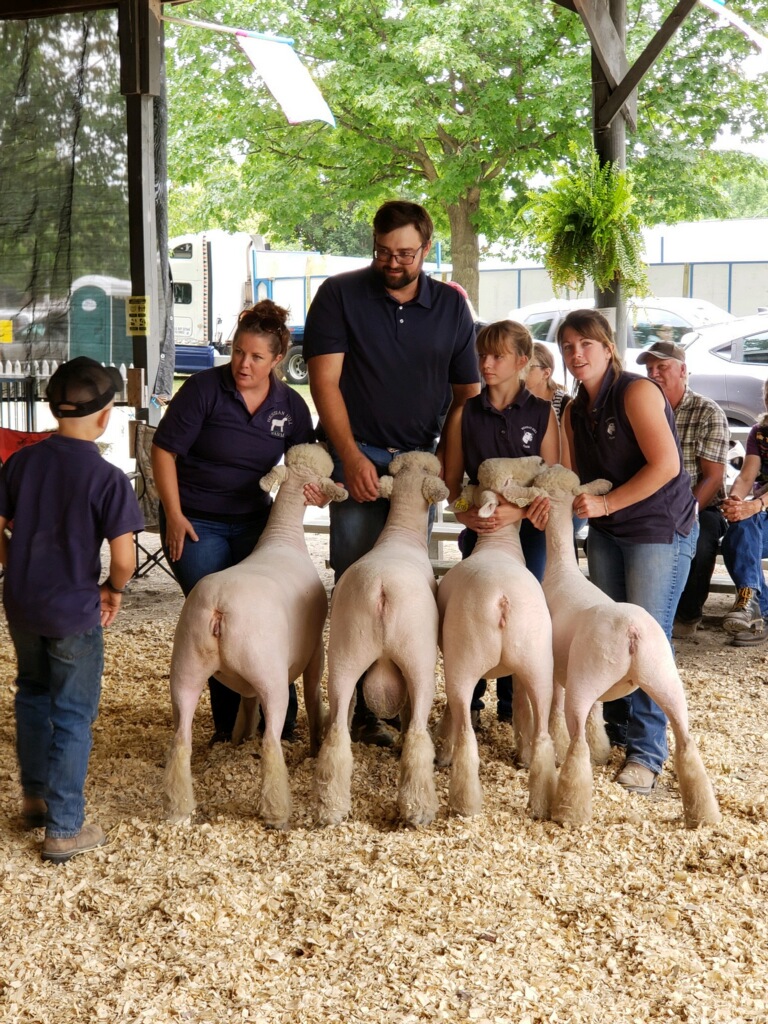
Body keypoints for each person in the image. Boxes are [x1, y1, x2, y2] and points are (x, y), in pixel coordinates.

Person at [303, 199, 480, 745]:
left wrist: (448, 472)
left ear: (428, 249)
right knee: (356, 579)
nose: (393, 262)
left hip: (417, 465)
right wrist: (349, 457)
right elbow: (324, 381)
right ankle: (352, 711)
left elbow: (464, 397)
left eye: (405, 253)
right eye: (383, 251)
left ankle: (401, 702)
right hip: (357, 451)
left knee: (407, 587)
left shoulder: (452, 308)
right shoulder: (339, 294)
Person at [152, 299, 316, 746]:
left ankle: (279, 722)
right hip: (196, 522)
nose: (243, 364)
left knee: (265, 616)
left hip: (253, 524)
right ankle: (227, 727)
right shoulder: (205, 388)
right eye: (238, 351)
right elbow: (164, 451)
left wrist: (316, 486)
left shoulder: (290, 408)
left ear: (277, 359)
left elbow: (306, 462)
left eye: (256, 356)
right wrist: (174, 514)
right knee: (212, 617)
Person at [0, 357, 144, 862]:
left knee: (33, 694)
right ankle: (64, 827)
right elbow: (124, 559)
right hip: (73, 611)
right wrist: (114, 590)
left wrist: (13, 561)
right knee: (73, 715)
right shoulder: (107, 478)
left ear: (51, 407)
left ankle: (35, 799)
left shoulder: (20, 462)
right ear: (106, 416)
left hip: (21, 604)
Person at [558, 309, 698, 796]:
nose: (577, 354)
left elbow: (666, 465)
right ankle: (617, 730)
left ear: (608, 347)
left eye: (586, 344)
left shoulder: (638, 391)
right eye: (568, 346)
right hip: (608, 529)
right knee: (611, 630)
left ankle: (648, 752)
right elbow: (570, 474)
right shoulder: (574, 410)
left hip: (659, 527)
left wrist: (605, 503)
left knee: (647, 633)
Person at [449, 320, 558, 727]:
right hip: (479, 532)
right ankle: (469, 706)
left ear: (522, 361)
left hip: (529, 534)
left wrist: (521, 512)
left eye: (497, 356)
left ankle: (516, 710)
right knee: (471, 613)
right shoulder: (465, 413)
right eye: (483, 355)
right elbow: (452, 483)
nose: (487, 364)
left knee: (524, 617)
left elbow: (551, 479)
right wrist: (464, 514)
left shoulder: (542, 413)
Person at [636, 339, 729, 638]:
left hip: (700, 503)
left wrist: (685, 512)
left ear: (683, 370)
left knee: (700, 542)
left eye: (662, 367)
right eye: (650, 368)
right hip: (648, 502)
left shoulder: (707, 411)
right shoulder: (641, 408)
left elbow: (713, 478)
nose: (654, 374)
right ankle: (638, 612)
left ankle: (688, 616)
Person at [718, 379, 768, 646]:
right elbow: (747, 476)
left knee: (739, 536)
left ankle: (756, 609)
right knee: (739, 529)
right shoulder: (760, 432)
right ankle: (752, 606)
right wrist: (736, 501)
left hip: (763, 508)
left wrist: (755, 505)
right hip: (763, 515)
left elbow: (757, 503)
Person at [524, 341, 572, 424]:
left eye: (528, 367)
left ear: (546, 373)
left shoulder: (565, 404)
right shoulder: (514, 399)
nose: (520, 372)